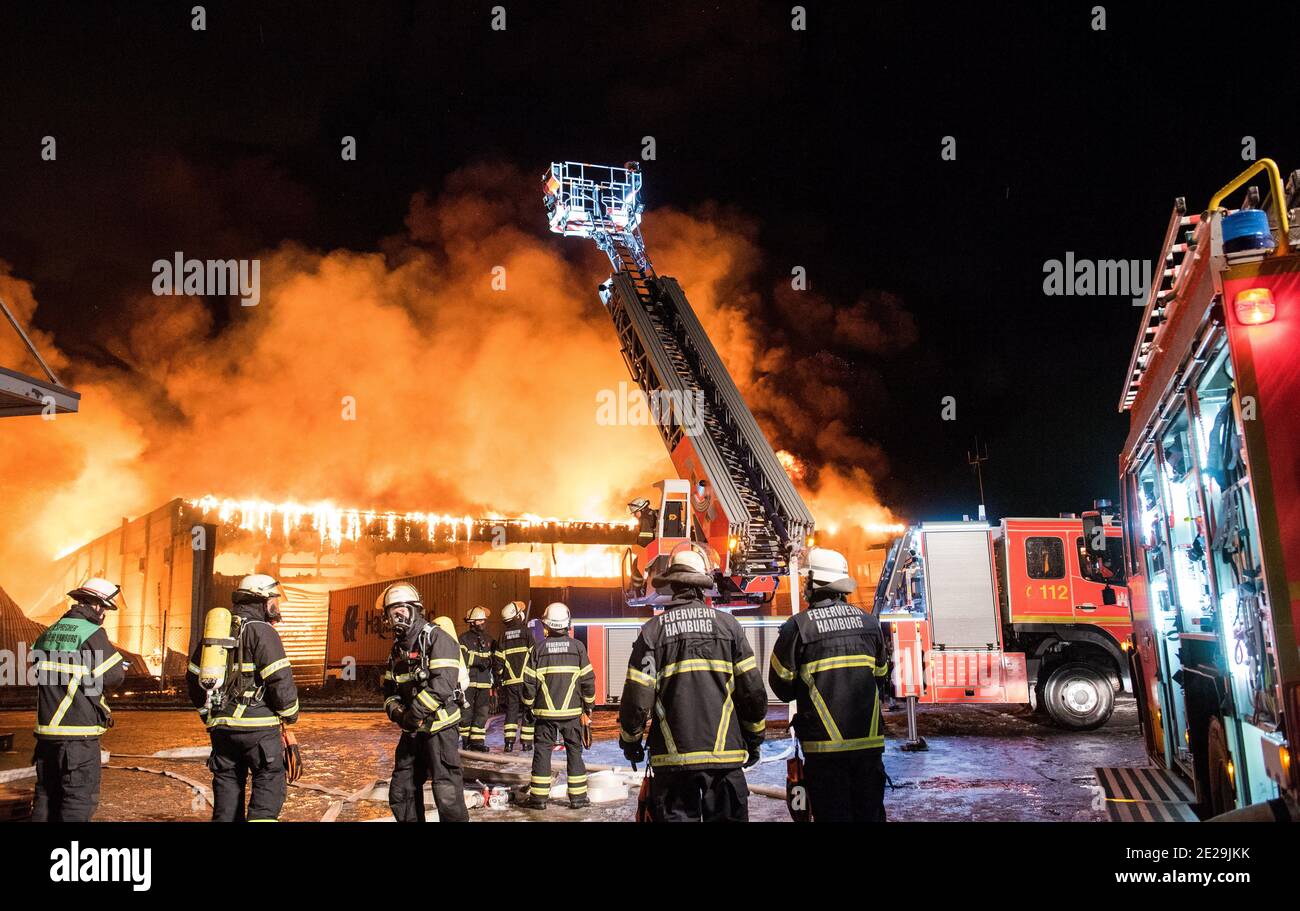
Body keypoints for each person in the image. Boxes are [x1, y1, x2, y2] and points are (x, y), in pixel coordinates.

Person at [617, 549, 767, 822]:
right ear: (703, 585)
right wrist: (754, 738)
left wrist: (631, 741)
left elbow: (638, 700)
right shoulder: (730, 627)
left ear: (673, 584)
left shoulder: (653, 631)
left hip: (673, 764)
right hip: (725, 758)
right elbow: (752, 692)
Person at [769, 547, 890, 822]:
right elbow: (881, 675)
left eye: (805, 580)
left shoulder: (798, 628)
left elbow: (781, 686)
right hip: (868, 750)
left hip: (824, 754)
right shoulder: (870, 624)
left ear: (815, 582)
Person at [187, 574, 299, 822]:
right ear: (260, 600)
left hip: (222, 730)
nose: (276, 606)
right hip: (258, 731)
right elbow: (280, 680)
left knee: (227, 790)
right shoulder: (262, 631)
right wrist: (290, 715)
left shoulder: (215, 632)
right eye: (273, 600)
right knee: (268, 784)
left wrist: (209, 716)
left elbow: (193, 680)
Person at [30, 578, 127, 821]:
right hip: (78, 734)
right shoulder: (91, 633)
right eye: (105, 608)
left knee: (45, 795)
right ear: (97, 606)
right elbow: (114, 676)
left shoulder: (49, 631)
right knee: (78, 800)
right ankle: (69, 857)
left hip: (46, 734)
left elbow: (39, 668)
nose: (104, 614)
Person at [380, 583, 469, 822]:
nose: (397, 616)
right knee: (402, 789)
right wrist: (398, 713)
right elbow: (389, 689)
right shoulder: (397, 650)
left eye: (401, 610)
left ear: (415, 609)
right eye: (392, 612)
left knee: (447, 791)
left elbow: (442, 685)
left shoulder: (437, 638)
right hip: (411, 730)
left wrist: (415, 713)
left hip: (439, 728)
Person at [519, 603, 595, 810]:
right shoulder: (578, 647)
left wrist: (527, 707)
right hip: (572, 714)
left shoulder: (538, 649)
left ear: (547, 625)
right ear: (567, 623)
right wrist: (589, 706)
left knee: (542, 752)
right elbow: (588, 680)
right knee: (574, 752)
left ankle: (539, 799)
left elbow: (528, 683)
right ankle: (578, 798)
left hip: (544, 715)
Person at [495, 601, 534, 752]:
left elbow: (498, 661)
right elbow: (534, 656)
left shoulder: (502, 636)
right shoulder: (527, 633)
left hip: (510, 682)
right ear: (518, 616)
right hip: (526, 681)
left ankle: (509, 743)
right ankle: (526, 743)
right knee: (528, 710)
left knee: (511, 712)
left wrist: (499, 678)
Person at [458, 606, 496, 752]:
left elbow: (494, 656)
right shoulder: (463, 638)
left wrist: (491, 662)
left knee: (482, 713)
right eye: (480, 620)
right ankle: (466, 741)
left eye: (483, 620)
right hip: (469, 682)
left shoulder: (489, 639)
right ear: (472, 622)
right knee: (467, 712)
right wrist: (480, 660)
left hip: (485, 682)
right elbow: (463, 657)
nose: (483, 623)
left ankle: (477, 741)